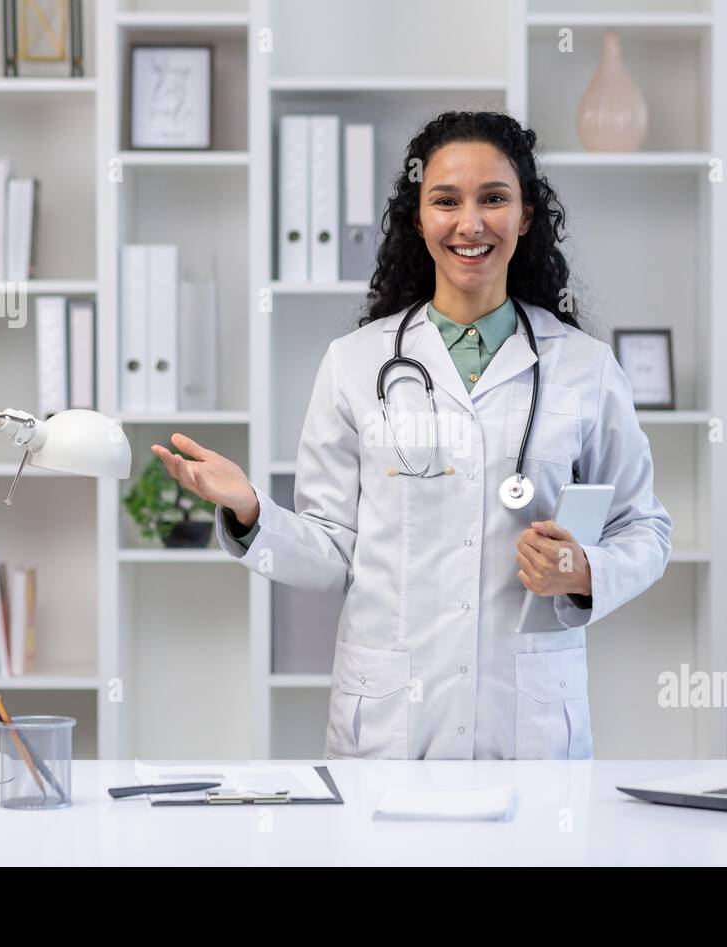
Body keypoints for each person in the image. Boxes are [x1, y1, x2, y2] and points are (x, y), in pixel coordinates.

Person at [153, 111, 672, 759]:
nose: (470, 223)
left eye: (494, 199)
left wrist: (583, 567)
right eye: (445, 201)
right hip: (392, 721)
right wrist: (251, 510)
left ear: (527, 216)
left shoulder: (585, 369)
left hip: (527, 718)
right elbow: (331, 551)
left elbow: (645, 529)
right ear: (420, 218)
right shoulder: (355, 363)